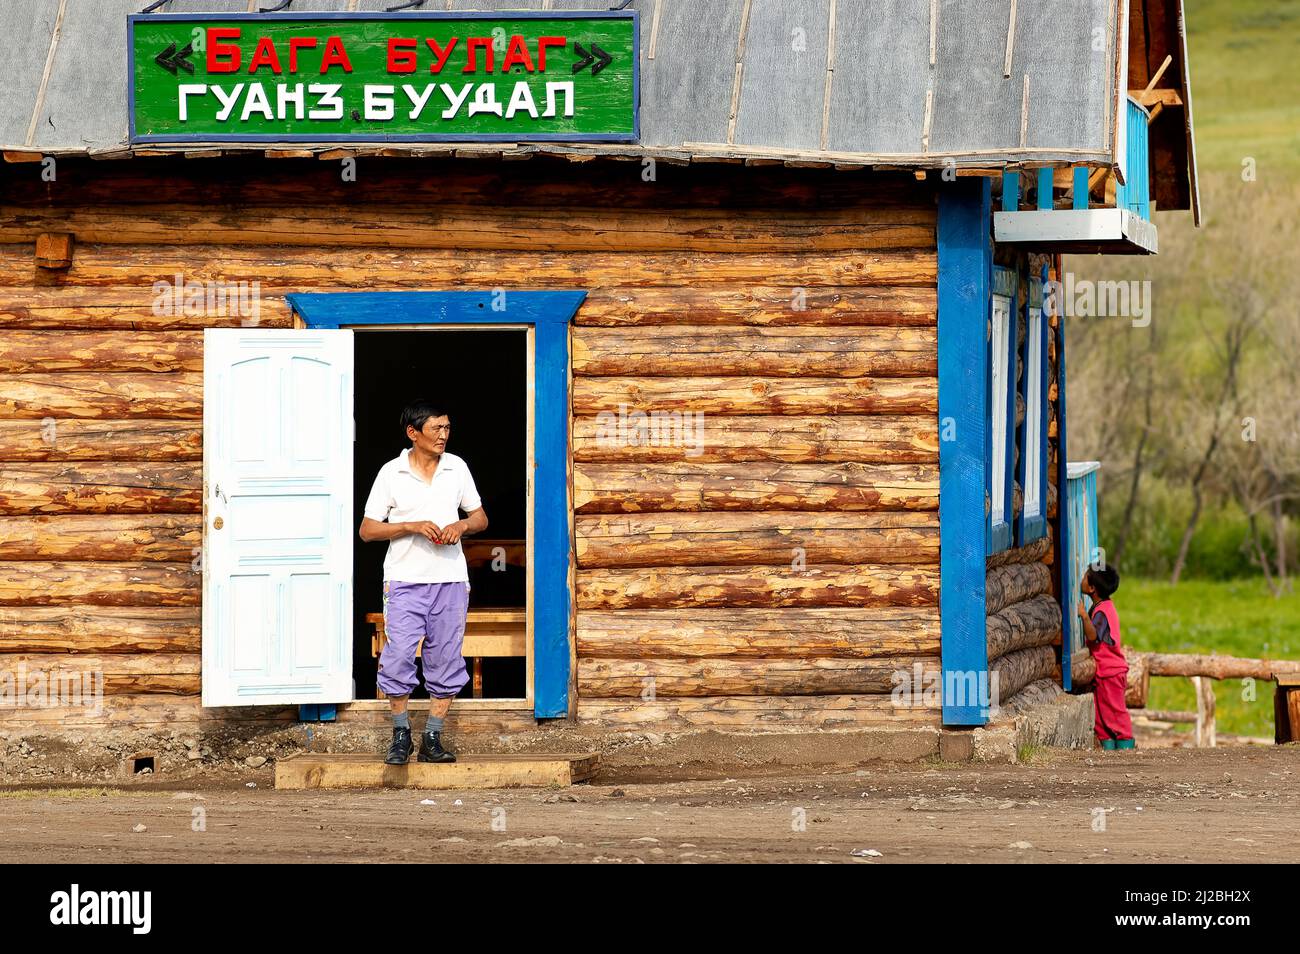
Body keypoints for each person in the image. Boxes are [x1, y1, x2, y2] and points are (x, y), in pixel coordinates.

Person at [358, 400, 488, 765]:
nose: (444, 435)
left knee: (445, 658)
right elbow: (367, 530)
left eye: (447, 428)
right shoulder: (391, 473)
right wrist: (411, 526)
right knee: (398, 655)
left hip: (450, 580)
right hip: (404, 580)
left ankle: (433, 736)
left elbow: (479, 518)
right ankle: (400, 734)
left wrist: (460, 526)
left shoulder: (456, 467)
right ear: (413, 433)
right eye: (436, 429)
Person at [1078, 564, 1135, 750]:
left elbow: (1093, 635)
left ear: (1092, 588)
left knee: (1115, 713)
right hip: (1105, 671)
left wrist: (1084, 617)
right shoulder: (1104, 606)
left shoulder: (1102, 611)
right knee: (1102, 717)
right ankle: (1110, 752)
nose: (1082, 579)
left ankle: (1126, 747)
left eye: (1086, 576)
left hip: (1111, 671)